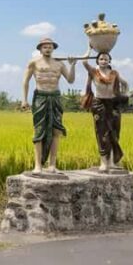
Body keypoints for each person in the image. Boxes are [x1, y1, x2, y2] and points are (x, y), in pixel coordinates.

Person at [21, 38, 77, 174]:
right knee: (39, 130)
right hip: (40, 96)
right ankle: (38, 165)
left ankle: (52, 164)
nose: (47, 49)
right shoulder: (34, 62)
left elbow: (70, 80)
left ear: (53, 48)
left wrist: (73, 65)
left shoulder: (59, 63)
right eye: (45, 47)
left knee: (56, 131)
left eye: (50, 46)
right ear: (40, 49)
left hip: (55, 97)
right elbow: (25, 81)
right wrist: (24, 100)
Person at [82, 50, 129, 172]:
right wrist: (89, 48)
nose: (103, 61)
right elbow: (84, 61)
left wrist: (124, 94)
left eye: (106, 59)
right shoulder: (93, 72)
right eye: (101, 59)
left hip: (112, 105)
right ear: (97, 60)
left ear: (109, 61)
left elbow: (125, 83)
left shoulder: (114, 73)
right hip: (99, 104)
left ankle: (112, 161)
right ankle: (103, 162)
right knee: (102, 133)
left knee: (114, 133)